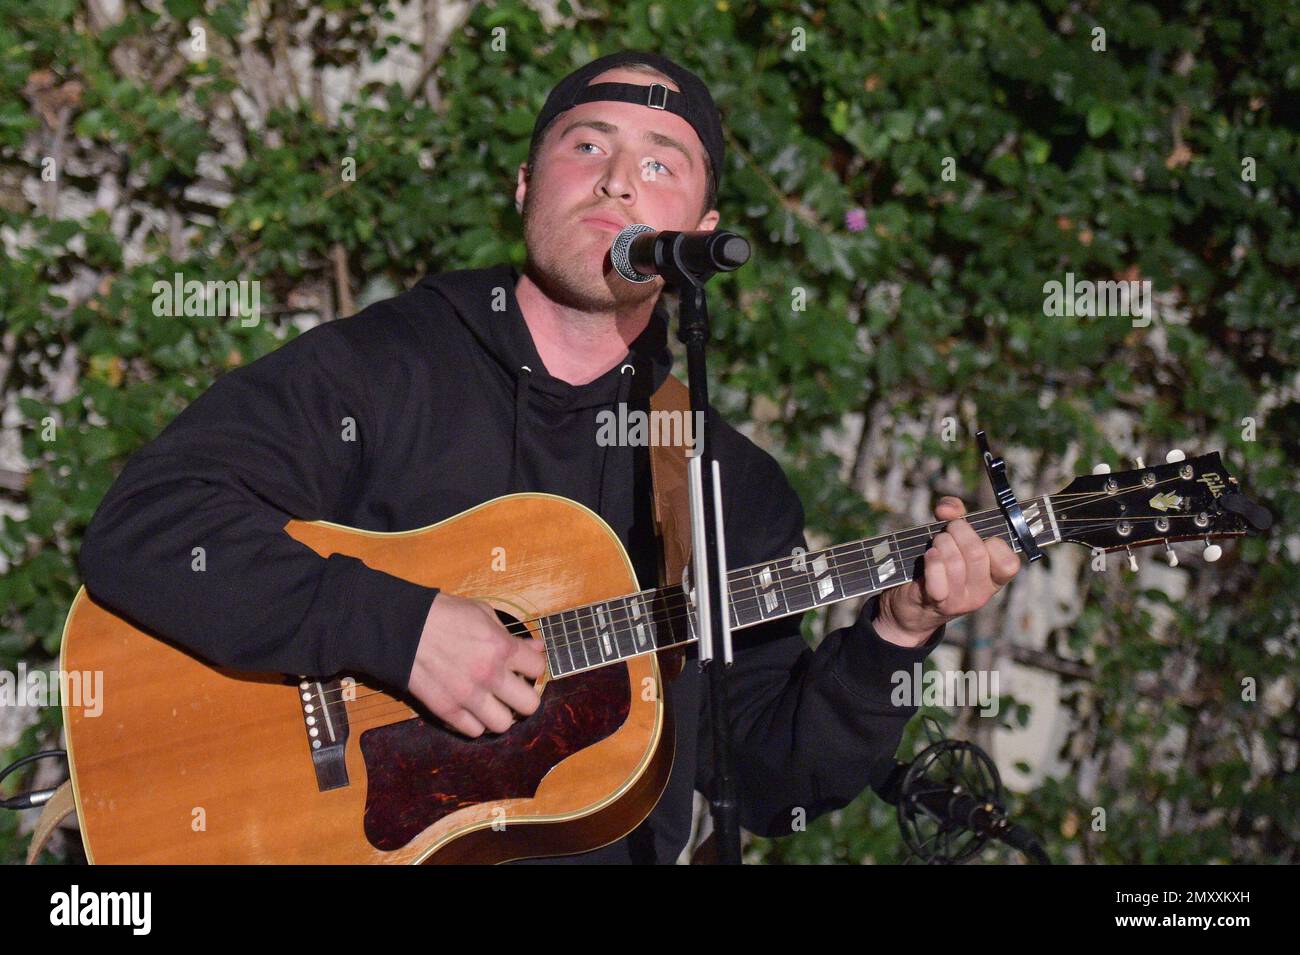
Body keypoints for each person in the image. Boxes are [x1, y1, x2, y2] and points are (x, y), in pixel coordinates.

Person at [78, 50, 1020, 863]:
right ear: (528, 187)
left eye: (661, 163)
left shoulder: (723, 484)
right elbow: (151, 524)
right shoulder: (385, 370)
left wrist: (896, 634)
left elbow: (770, 783)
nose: (619, 181)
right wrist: (397, 628)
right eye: (588, 146)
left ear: (698, 232)